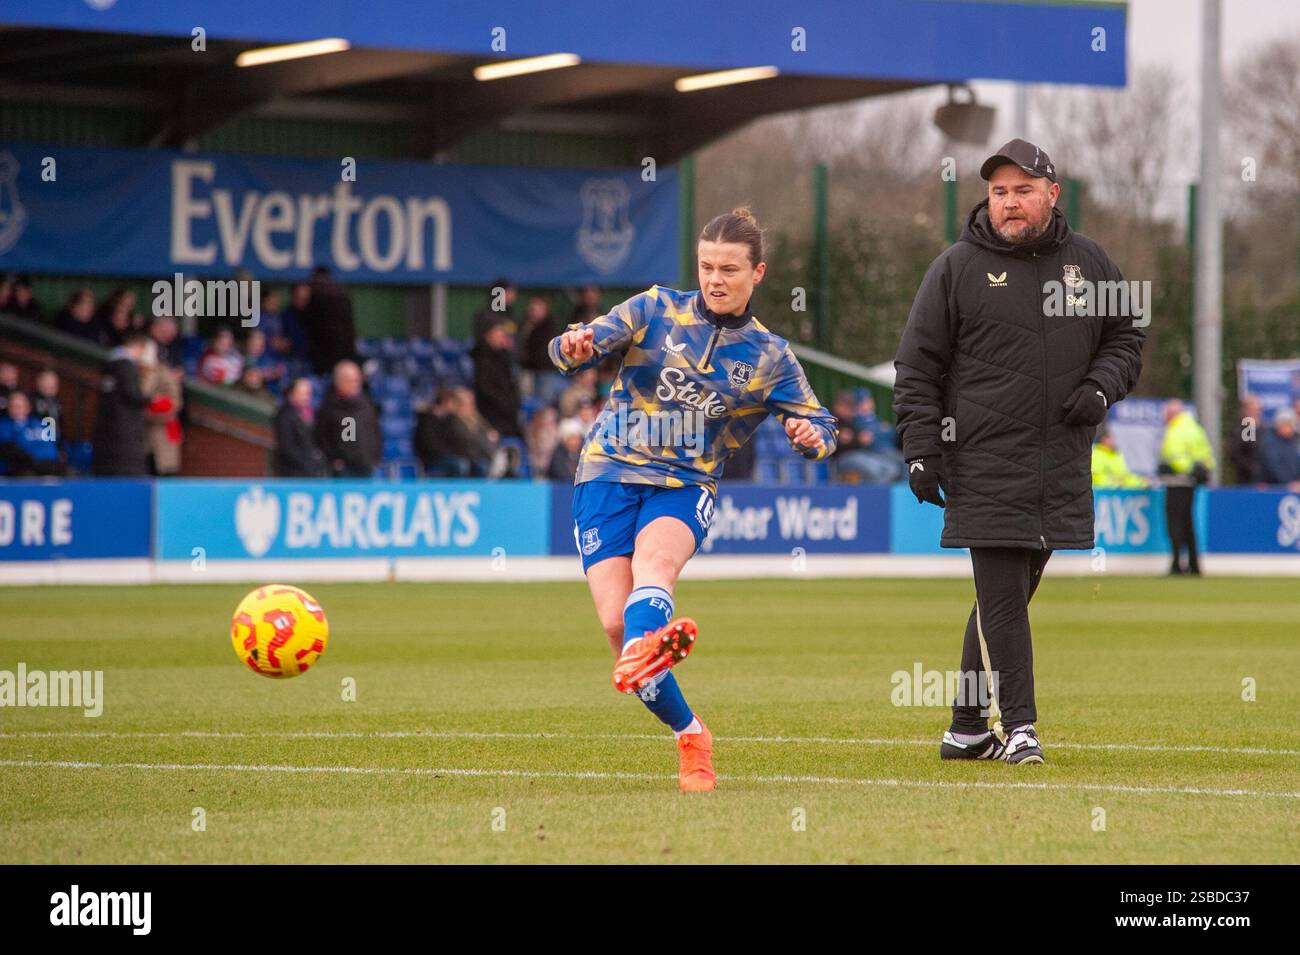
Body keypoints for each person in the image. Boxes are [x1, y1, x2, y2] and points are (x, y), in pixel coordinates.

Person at [549, 207, 838, 792]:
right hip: (606, 471)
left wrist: (812, 438)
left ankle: (650, 659)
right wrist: (575, 345)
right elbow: (570, 347)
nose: (714, 279)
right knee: (616, 626)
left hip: (684, 485)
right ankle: (691, 733)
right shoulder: (655, 306)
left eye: (729, 269)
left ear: (757, 273)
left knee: (654, 568)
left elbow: (824, 427)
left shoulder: (769, 357)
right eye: (706, 266)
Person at [894, 139, 1144, 766]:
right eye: (1000, 192)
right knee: (1003, 596)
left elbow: (1126, 337)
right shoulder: (955, 268)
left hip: (1058, 462)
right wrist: (921, 449)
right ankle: (1022, 727)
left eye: (1023, 191)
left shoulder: (1090, 263)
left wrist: (1099, 387)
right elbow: (917, 367)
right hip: (980, 460)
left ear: (1052, 195)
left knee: (999, 598)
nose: (1009, 202)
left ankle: (967, 728)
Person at [1158, 399, 1214, 575]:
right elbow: (1207, 457)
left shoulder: (1175, 430)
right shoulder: (1196, 428)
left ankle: (1176, 564)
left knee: (1175, 524)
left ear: (1172, 414)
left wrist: (1177, 469)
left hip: (1177, 482)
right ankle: (1194, 565)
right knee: (1189, 524)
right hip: (1191, 484)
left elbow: (1175, 458)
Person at [92, 332, 154, 476]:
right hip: (124, 431)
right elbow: (131, 394)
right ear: (139, 347)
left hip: (107, 426)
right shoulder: (125, 365)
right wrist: (150, 399)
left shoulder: (109, 363)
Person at [315, 359, 382, 478]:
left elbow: (375, 432)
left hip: (367, 466)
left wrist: (375, 457)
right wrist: (335, 459)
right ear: (340, 382)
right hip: (345, 470)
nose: (356, 384)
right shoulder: (330, 408)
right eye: (352, 381)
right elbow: (323, 438)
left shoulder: (366, 405)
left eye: (357, 380)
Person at [472, 314, 523, 440]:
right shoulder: (479, 356)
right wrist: (505, 403)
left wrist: (513, 402)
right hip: (490, 413)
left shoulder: (505, 356)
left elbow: (512, 383)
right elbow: (485, 387)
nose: (502, 336)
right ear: (488, 334)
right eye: (498, 332)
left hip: (508, 413)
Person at [303, 267, 358, 376]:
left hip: (324, 350)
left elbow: (309, 322)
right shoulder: (343, 293)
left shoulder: (317, 294)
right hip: (345, 349)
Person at [0, 391, 64, 476]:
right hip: (24, 469)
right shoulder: (4, 425)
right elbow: (9, 449)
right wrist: (34, 463)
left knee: (73, 475)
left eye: (19, 407)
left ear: (28, 408)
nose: (16, 410)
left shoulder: (41, 423)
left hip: (51, 466)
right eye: (13, 406)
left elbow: (56, 444)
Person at [141, 351, 184, 476]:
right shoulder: (140, 372)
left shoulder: (166, 375)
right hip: (144, 431)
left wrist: (159, 412)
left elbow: (176, 403)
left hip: (164, 431)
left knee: (165, 470)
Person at [274, 378, 326, 477]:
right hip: (293, 472)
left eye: (308, 393)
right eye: (302, 393)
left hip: (309, 471)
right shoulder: (285, 415)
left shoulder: (310, 414)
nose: (306, 397)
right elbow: (287, 447)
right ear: (291, 394)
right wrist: (307, 462)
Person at [1255, 407, 1300, 490]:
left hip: (1292, 487)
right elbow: (1274, 467)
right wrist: (1289, 482)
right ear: (1280, 425)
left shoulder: (1294, 441)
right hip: (1273, 489)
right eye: (1289, 425)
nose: (1292, 428)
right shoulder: (1269, 442)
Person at [1227, 395, 1261, 485]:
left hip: (1263, 478)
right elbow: (1235, 453)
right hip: (1247, 478)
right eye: (1254, 409)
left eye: (1258, 409)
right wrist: (1252, 468)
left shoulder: (1262, 428)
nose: (1257, 412)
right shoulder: (1242, 429)